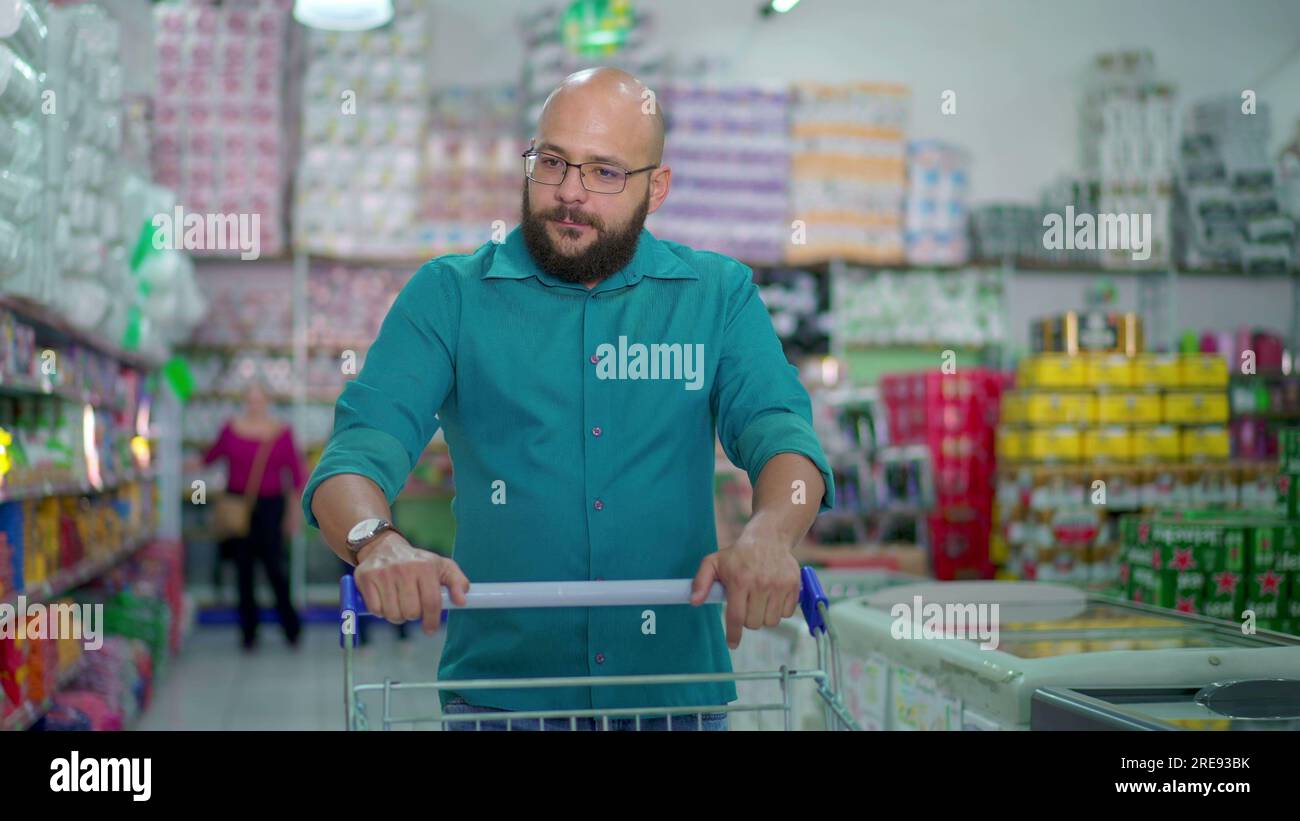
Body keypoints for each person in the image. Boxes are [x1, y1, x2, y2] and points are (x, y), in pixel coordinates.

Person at [303, 67, 834, 730]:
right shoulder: (450, 295)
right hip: (501, 701)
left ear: (656, 187)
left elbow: (780, 431)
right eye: (551, 162)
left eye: (604, 172)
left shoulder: (716, 295)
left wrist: (769, 535)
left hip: (675, 699)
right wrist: (375, 539)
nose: (569, 193)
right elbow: (360, 446)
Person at [205, 380, 305, 650]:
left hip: (271, 507)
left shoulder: (281, 432)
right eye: (250, 399)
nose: (254, 404)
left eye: (259, 399)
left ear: (268, 402)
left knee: (275, 568)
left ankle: (291, 628)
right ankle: (248, 633)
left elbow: (296, 477)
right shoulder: (231, 429)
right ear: (244, 401)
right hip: (237, 506)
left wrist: (293, 516)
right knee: (243, 571)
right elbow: (211, 456)